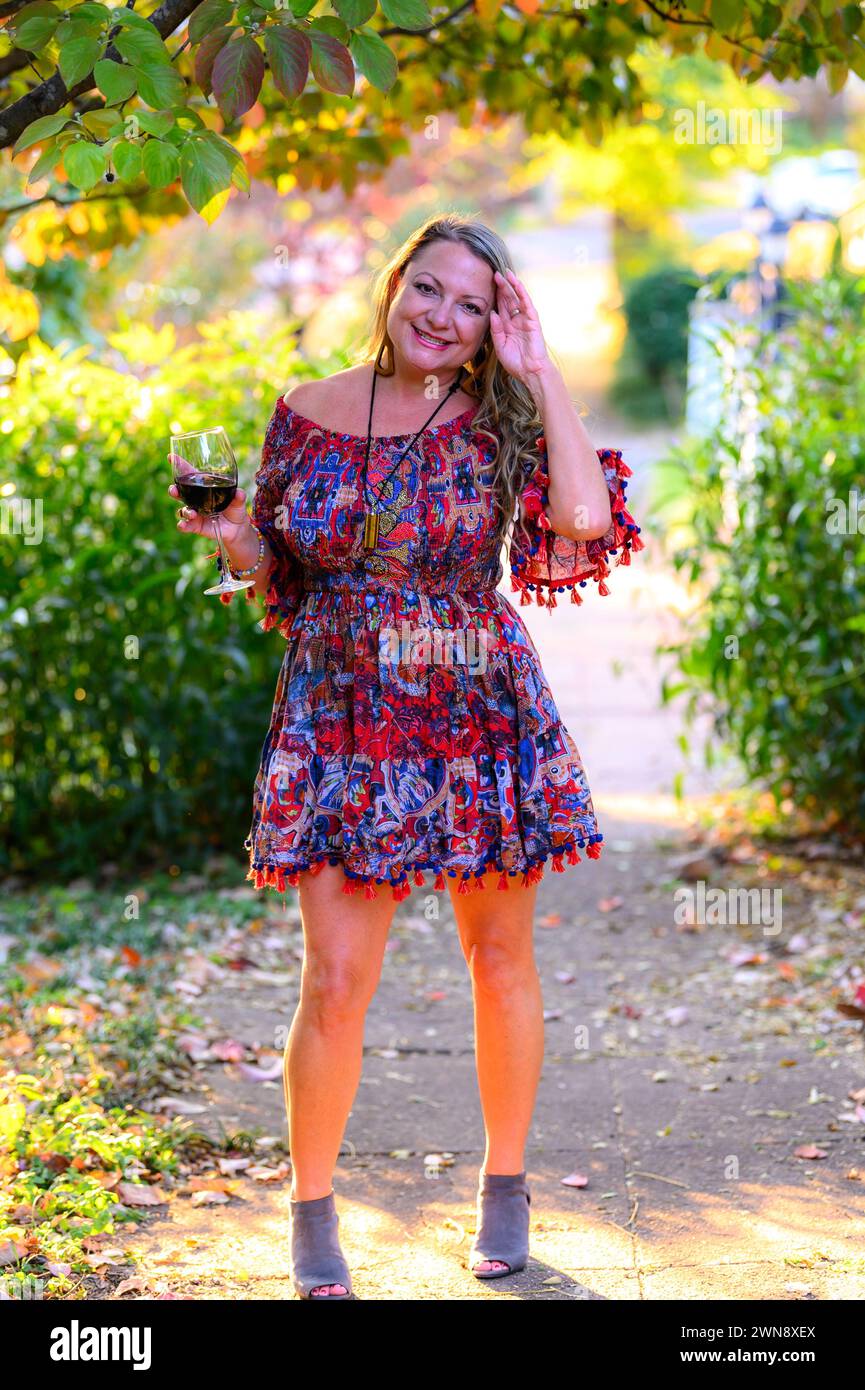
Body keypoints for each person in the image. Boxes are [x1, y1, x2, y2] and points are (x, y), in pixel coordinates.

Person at [169, 212, 643, 1299]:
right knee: (335, 978)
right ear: (393, 287)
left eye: (471, 304)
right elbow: (281, 578)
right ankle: (312, 1208)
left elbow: (580, 517)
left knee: (497, 960)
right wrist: (236, 533)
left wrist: (540, 367)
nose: (442, 315)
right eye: (428, 288)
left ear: (493, 323)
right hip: (339, 712)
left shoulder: (504, 416)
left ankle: (507, 1186)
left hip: (475, 705)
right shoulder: (304, 409)